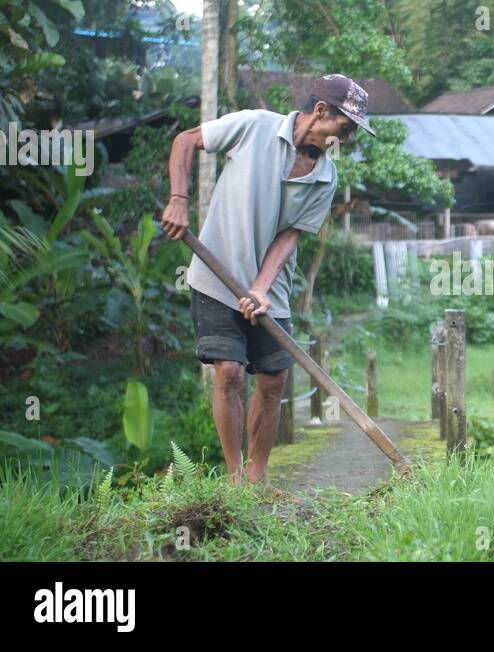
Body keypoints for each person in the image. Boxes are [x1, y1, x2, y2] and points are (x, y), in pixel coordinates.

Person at [159, 74, 376, 484]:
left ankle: (258, 477)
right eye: (343, 128)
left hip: (269, 289)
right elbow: (186, 140)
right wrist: (178, 199)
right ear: (319, 111)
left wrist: (260, 288)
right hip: (215, 277)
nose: (343, 139)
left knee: (274, 379)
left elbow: (290, 235)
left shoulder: (326, 177)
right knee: (229, 372)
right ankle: (235, 476)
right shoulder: (254, 125)